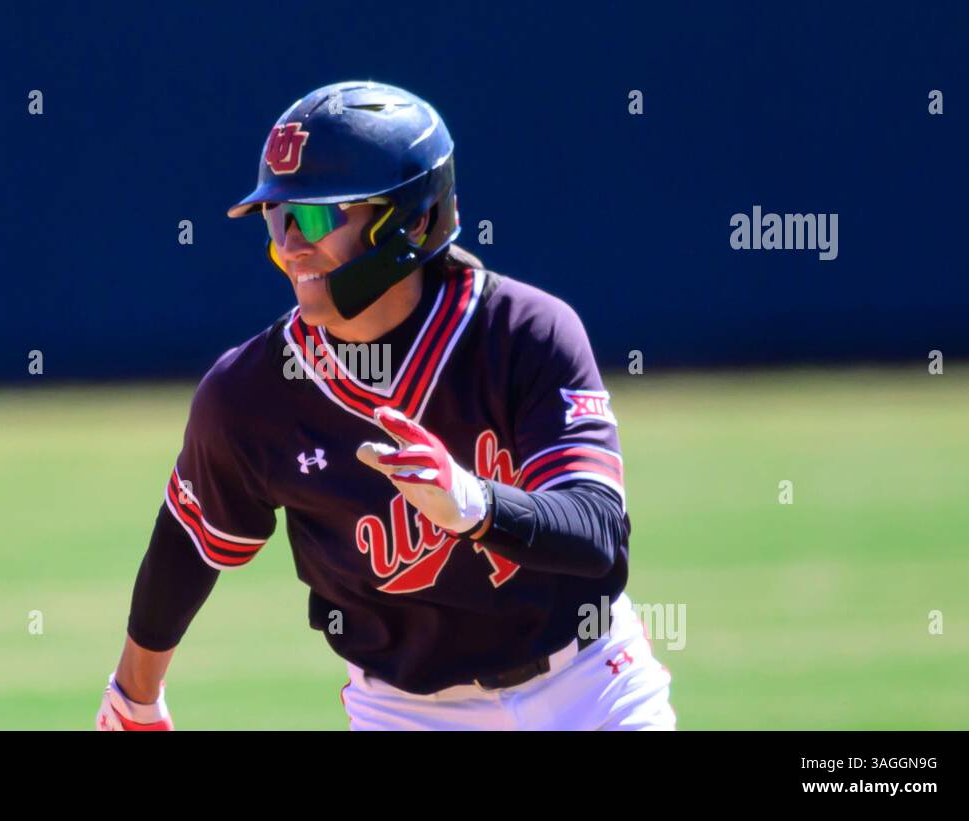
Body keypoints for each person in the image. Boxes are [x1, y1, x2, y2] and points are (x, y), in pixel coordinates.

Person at [96, 80, 676, 731]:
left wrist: (479, 506)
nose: (290, 244)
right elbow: (190, 539)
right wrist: (134, 697)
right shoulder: (251, 394)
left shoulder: (525, 333)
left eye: (314, 217)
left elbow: (599, 533)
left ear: (414, 218)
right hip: (405, 710)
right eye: (276, 217)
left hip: (586, 685)